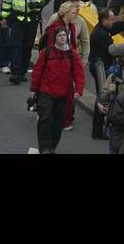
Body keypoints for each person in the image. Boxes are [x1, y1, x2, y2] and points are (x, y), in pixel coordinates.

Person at [29, 25, 84, 153]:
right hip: (46, 91)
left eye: (64, 35)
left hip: (64, 93)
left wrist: (78, 90)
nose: (62, 38)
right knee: (45, 119)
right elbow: (37, 71)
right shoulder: (47, 53)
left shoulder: (72, 54)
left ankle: (52, 146)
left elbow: (79, 73)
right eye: (60, 35)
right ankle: (44, 147)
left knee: (59, 121)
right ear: (55, 38)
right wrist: (33, 89)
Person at [1, 0, 49, 85]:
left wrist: (38, 3)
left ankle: (22, 72)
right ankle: (15, 73)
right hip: (18, 19)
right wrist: (4, 17)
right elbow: (6, 2)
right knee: (16, 46)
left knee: (27, 47)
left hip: (32, 20)